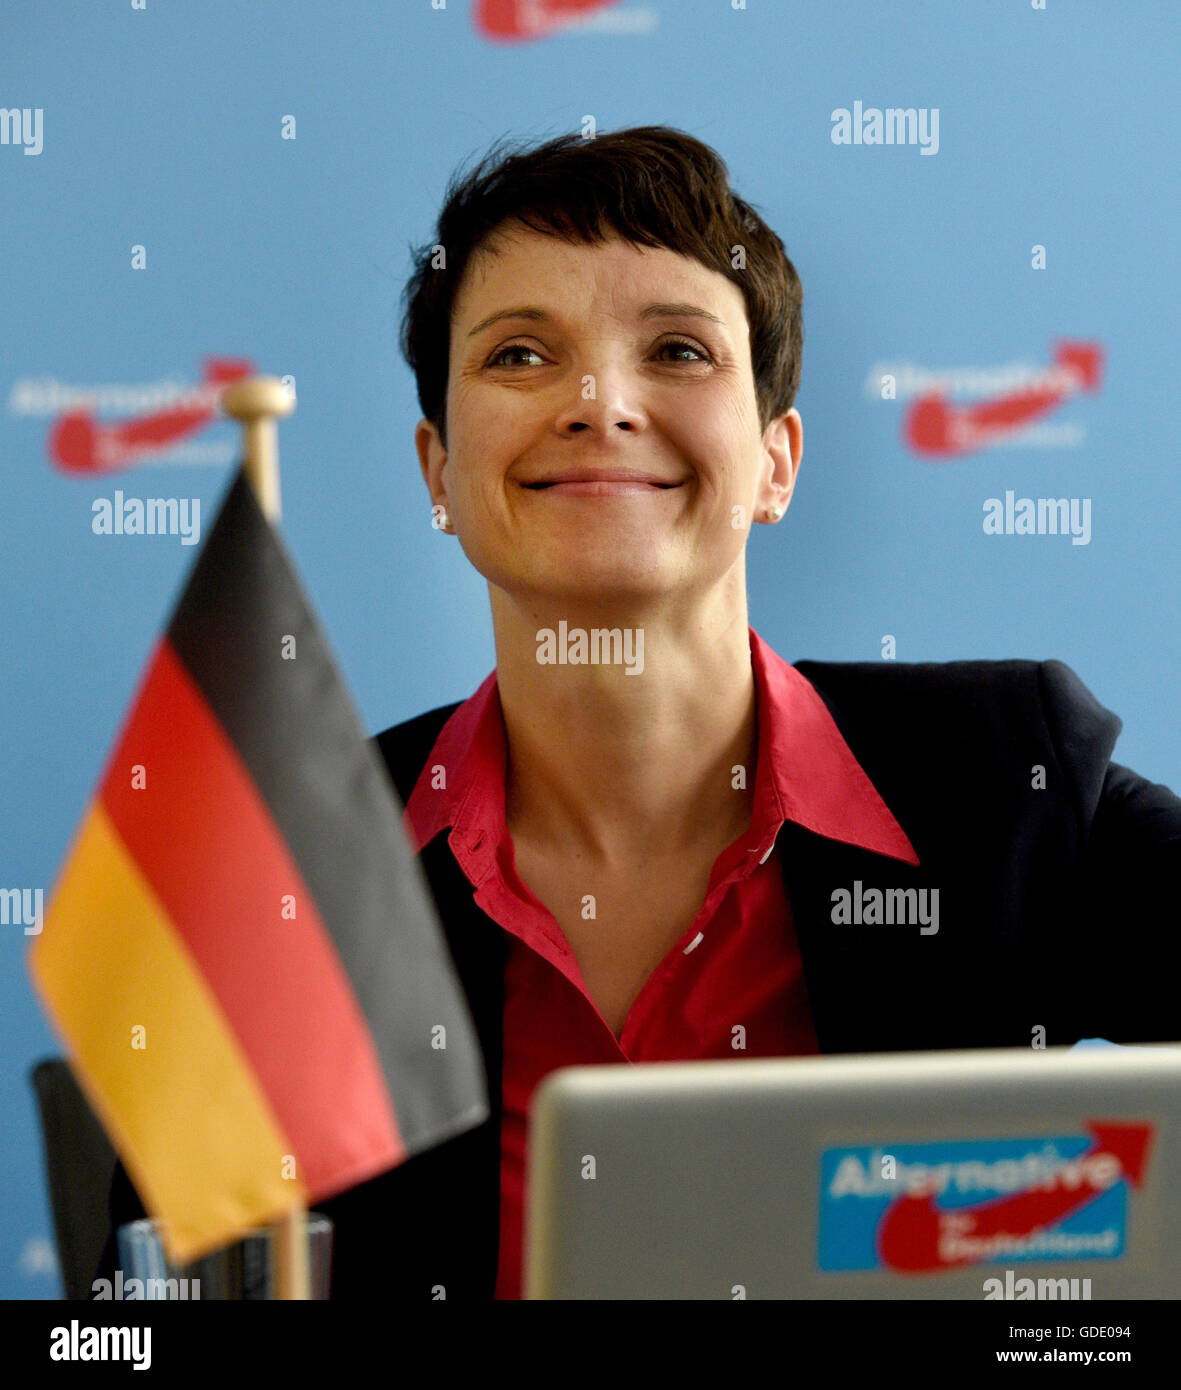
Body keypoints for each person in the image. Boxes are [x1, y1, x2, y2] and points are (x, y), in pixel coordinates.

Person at [96, 125, 1181, 1301]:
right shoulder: (283, 871)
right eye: (519, 355)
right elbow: (130, 1314)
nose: (598, 402)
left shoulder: (1007, 780)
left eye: (674, 348)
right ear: (438, 474)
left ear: (774, 463)